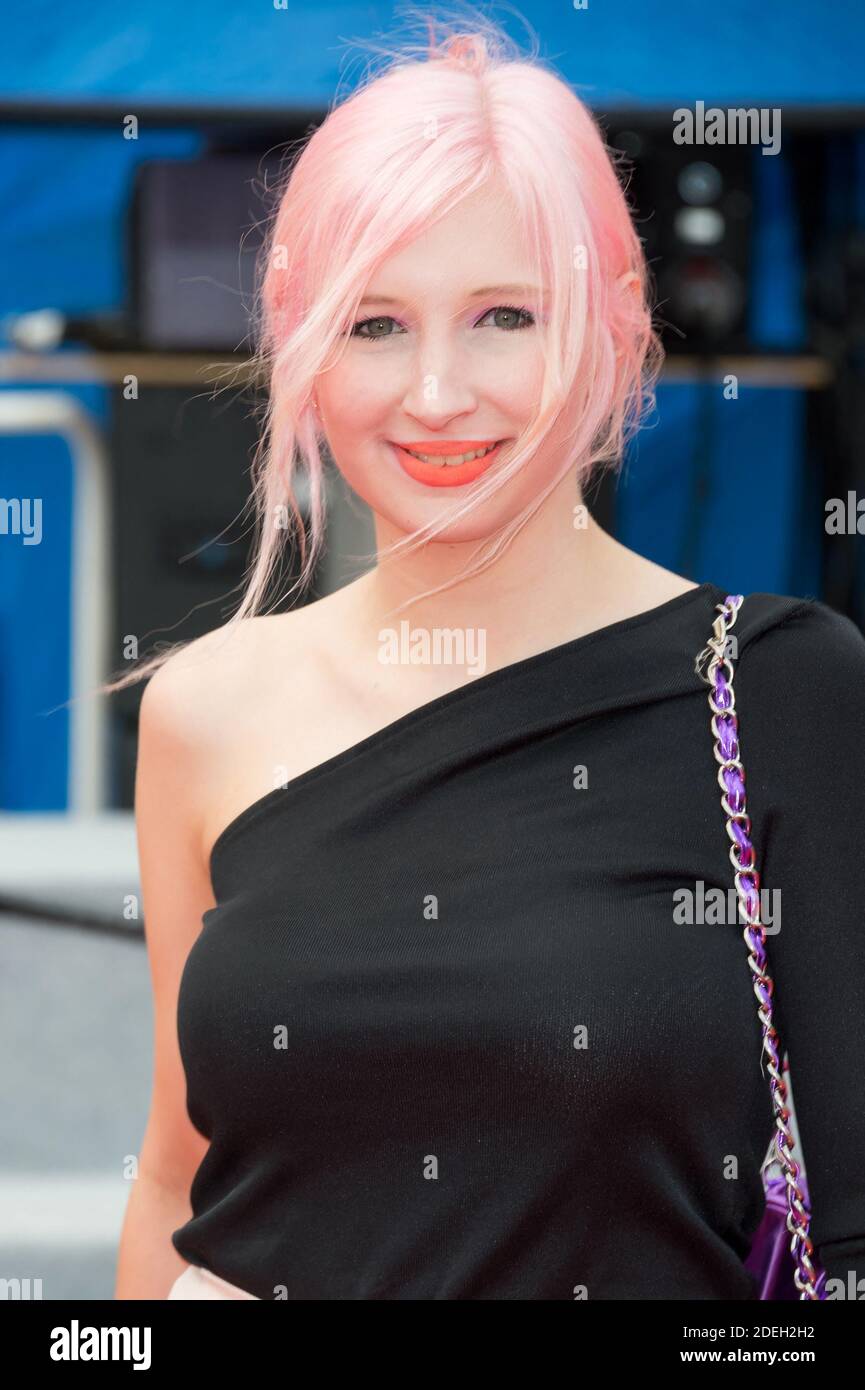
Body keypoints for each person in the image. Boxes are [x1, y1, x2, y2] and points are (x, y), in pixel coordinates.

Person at [113, 16, 865, 1300]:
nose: (437, 393)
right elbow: (178, 1179)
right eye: (374, 324)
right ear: (296, 338)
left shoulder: (777, 687)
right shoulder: (205, 709)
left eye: (503, 315)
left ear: (618, 326)